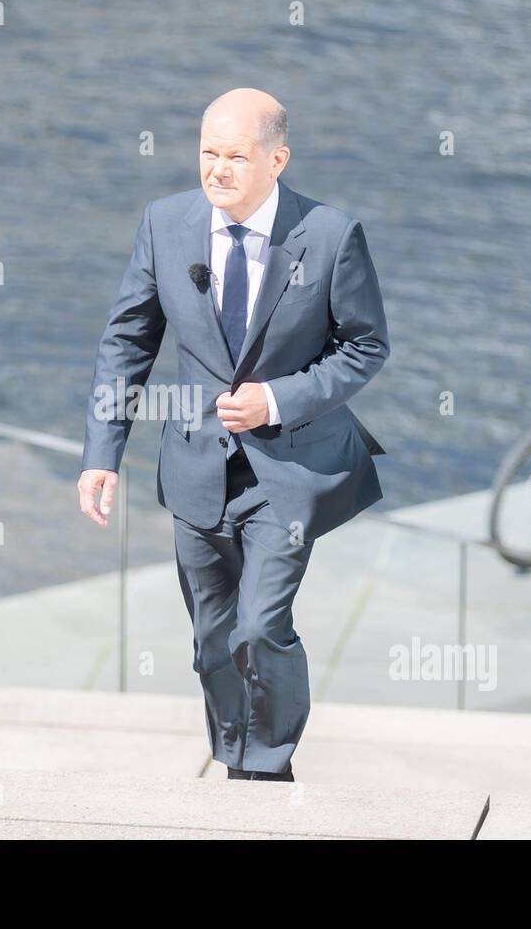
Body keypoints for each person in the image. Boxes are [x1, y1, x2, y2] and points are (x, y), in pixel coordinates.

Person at [78, 88, 389, 782]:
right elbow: (127, 342)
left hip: (288, 471)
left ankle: (269, 768)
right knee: (213, 642)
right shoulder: (165, 225)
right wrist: (103, 454)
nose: (216, 170)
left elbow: (365, 346)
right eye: (207, 153)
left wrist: (278, 399)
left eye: (236, 156)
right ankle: (235, 760)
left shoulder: (333, 236)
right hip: (196, 471)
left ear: (276, 160)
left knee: (259, 627)